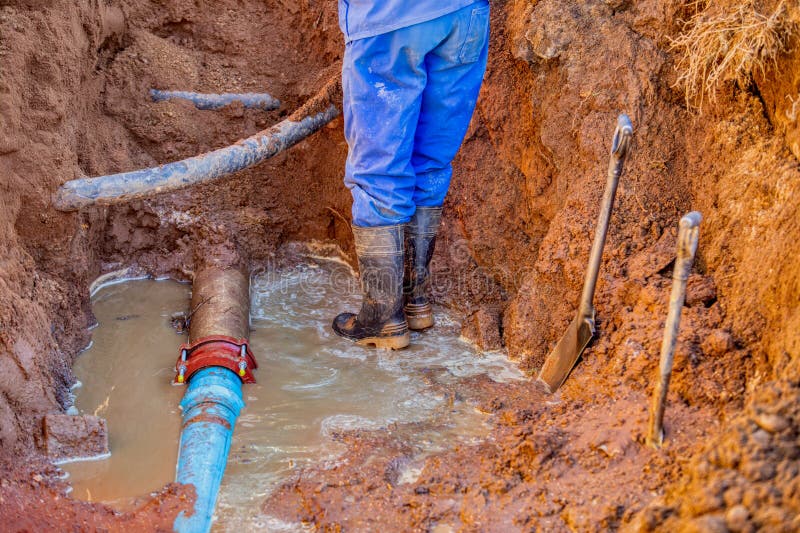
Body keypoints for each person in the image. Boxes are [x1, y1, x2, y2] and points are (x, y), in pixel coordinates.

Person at [331, 0, 491, 349]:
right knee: (430, 160)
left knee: (379, 169)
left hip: (391, 17)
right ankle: (415, 300)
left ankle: (383, 316)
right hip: (466, 17)